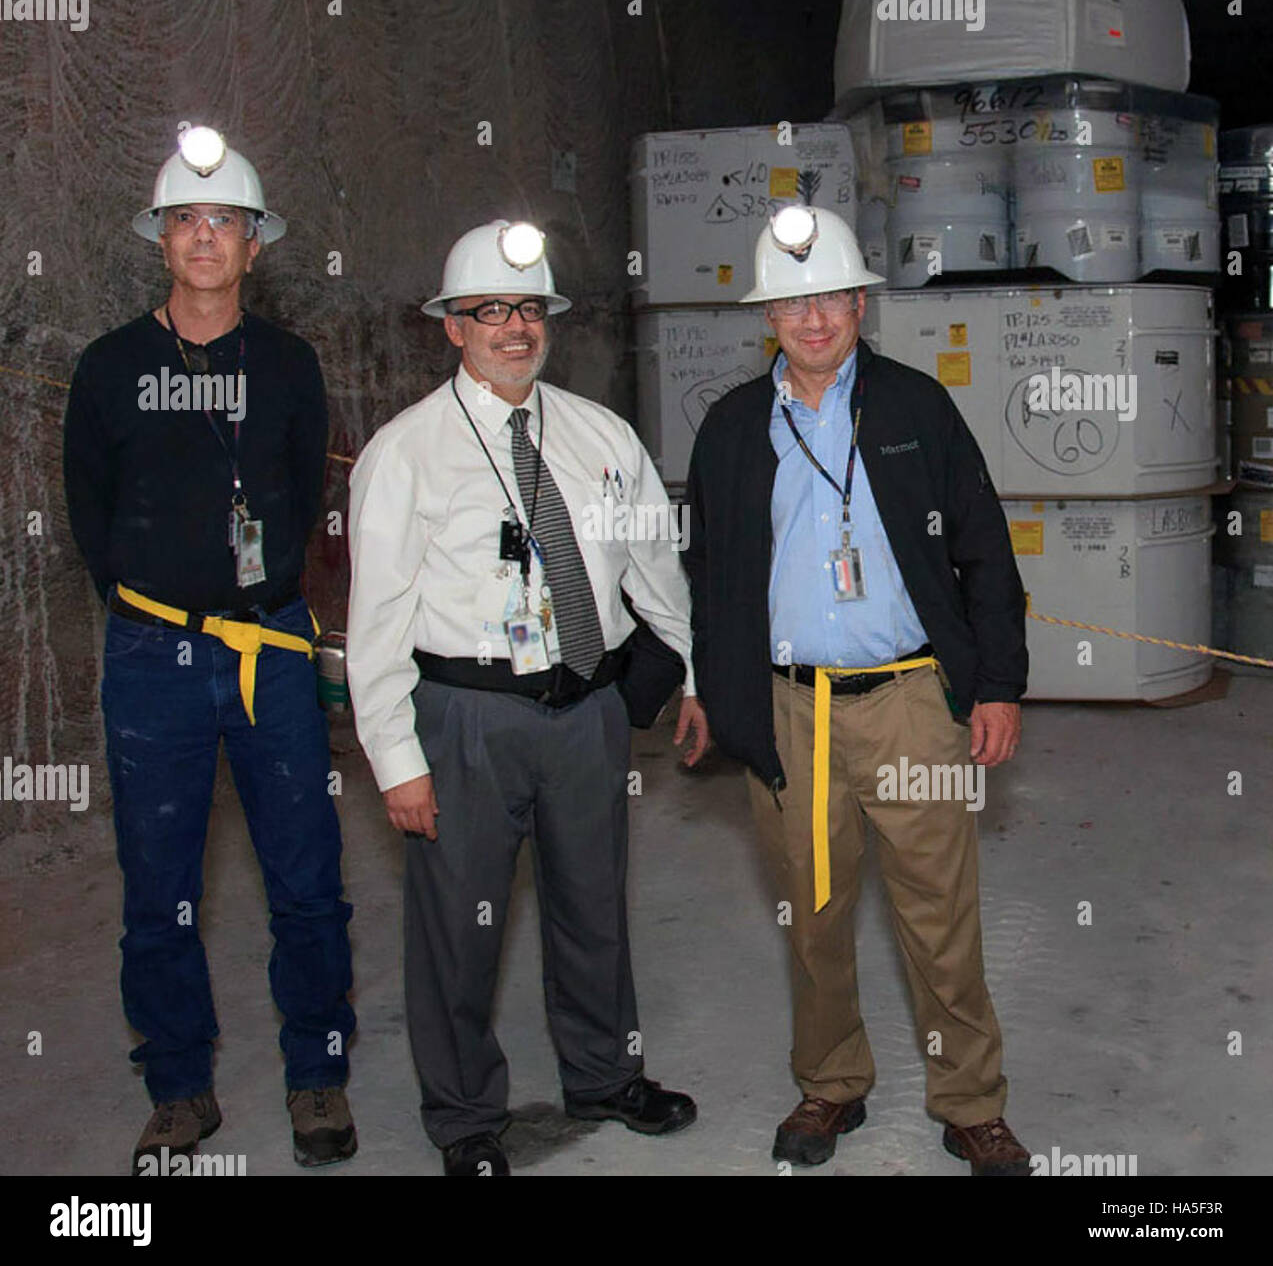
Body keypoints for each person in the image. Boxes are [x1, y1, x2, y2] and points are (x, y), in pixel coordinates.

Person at [346, 219, 709, 1176]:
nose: (513, 327)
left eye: (528, 309)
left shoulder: (602, 435)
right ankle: (465, 1118)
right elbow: (374, 620)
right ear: (452, 328)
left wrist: (690, 671)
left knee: (594, 908)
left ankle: (602, 1076)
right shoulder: (406, 453)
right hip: (465, 719)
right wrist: (396, 760)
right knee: (458, 927)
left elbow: (654, 572)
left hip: (586, 713)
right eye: (489, 311)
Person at [683, 204, 1031, 1175]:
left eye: (830, 293)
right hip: (791, 710)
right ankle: (831, 1082)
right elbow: (707, 572)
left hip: (912, 702)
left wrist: (997, 683)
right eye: (791, 299)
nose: (813, 315)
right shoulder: (730, 429)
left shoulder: (918, 409)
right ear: (768, 317)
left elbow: (983, 551)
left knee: (938, 914)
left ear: (860, 302)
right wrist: (712, 688)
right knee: (813, 912)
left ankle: (969, 1100)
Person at [63, 126, 357, 1174]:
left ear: (252, 244)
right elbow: (88, 518)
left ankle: (317, 1073)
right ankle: (181, 1089)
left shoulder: (287, 364)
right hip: (152, 659)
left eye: (221, 220)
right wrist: (157, 607)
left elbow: (302, 493)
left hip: (270, 647)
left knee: (307, 876)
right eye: (185, 219)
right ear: (162, 239)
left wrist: (253, 597)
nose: (203, 237)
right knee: (158, 885)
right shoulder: (108, 366)